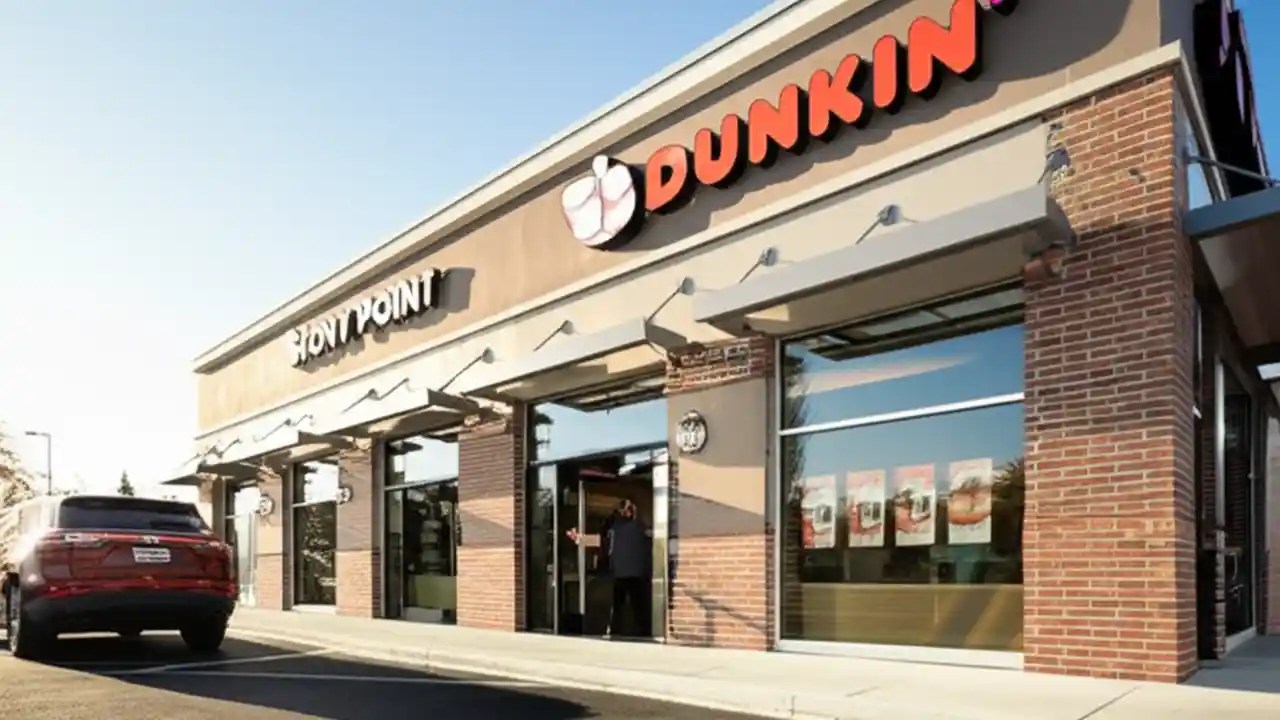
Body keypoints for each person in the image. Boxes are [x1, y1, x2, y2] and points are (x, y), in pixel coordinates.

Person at [567, 498, 650, 638]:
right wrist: (579, 539)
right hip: (632, 573)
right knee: (634, 605)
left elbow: (601, 541)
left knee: (624, 605)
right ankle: (637, 631)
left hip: (625, 573)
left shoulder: (621, 528)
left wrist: (579, 538)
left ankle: (617, 631)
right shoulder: (635, 526)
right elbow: (601, 541)